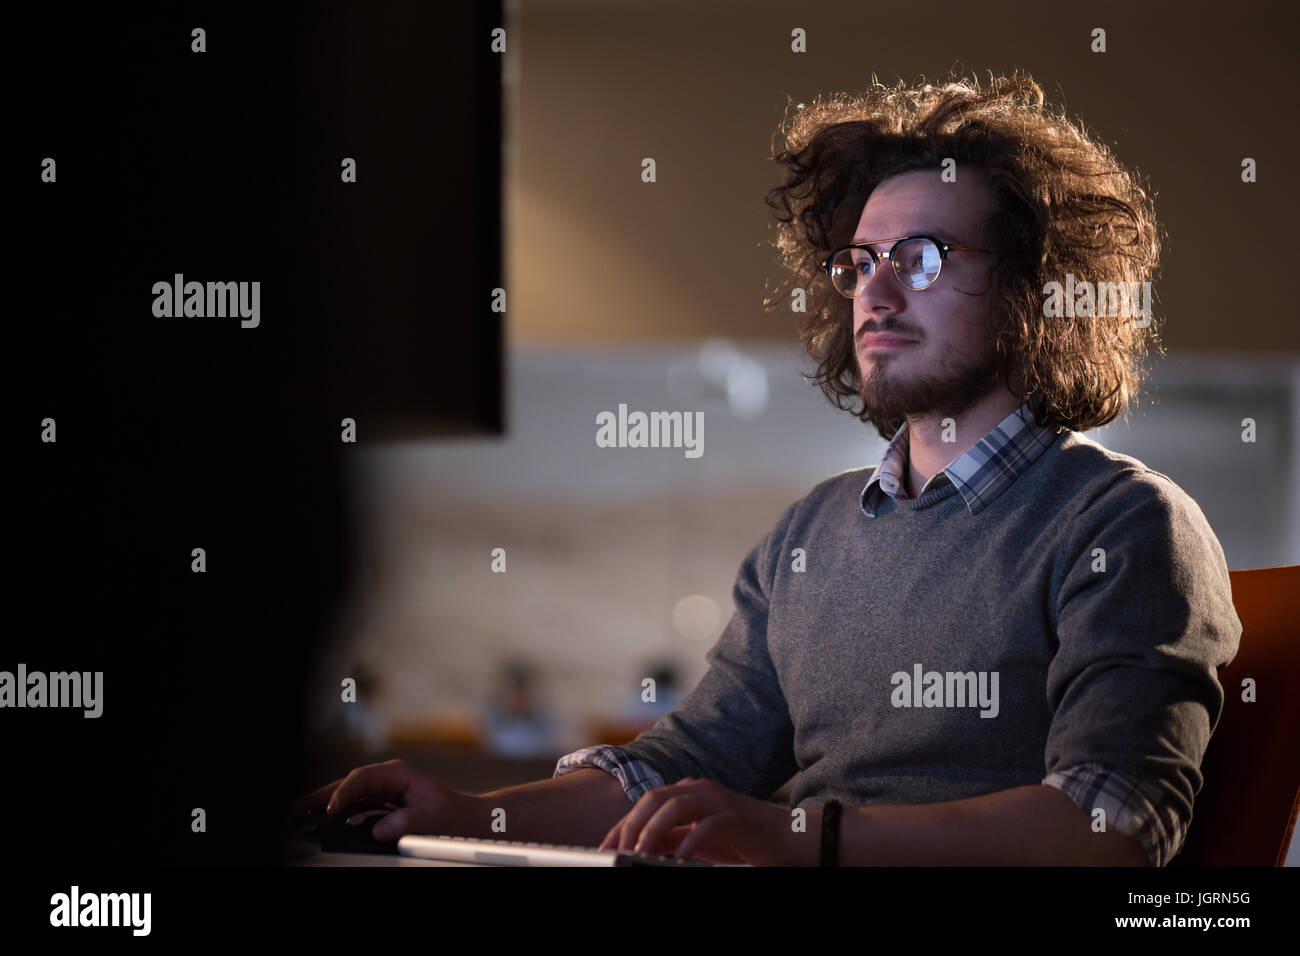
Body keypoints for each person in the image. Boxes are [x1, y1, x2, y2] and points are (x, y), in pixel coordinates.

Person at [290, 71, 1241, 866]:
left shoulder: (1125, 525)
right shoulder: (809, 534)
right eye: (859, 259)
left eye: (920, 255)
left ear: (1037, 285)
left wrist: (801, 835)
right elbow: (681, 765)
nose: (872, 287)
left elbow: (1109, 826)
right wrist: (460, 812)